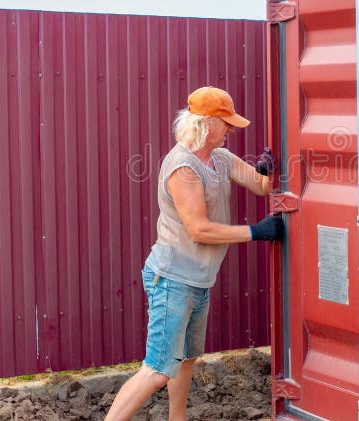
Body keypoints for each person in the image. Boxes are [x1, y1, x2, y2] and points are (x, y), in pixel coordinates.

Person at [105, 86, 283, 421]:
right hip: (172, 279)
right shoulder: (182, 168)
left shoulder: (218, 158)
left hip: (198, 280)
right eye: (226, 123)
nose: (231, 129)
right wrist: (255, 232)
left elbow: (261, 186)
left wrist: (266, 170)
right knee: (158, 369)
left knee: (186, 358)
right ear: (205, 123)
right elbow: (199, 230)